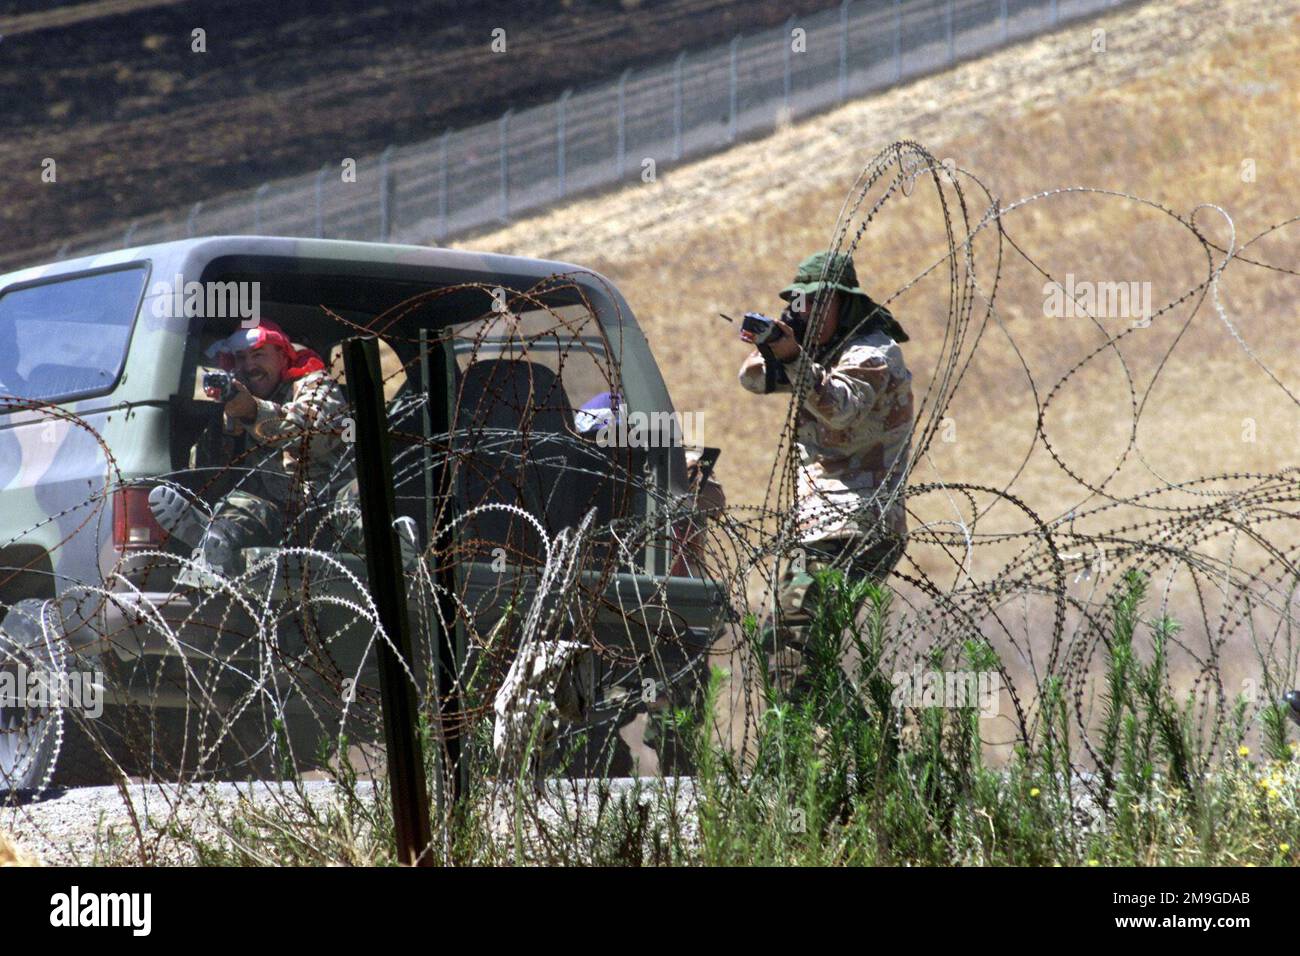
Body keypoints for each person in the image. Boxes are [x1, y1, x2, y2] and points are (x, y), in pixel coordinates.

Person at [738, 250, 913, 704]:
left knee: (791, 656)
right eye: (799, 302)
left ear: (842, 302)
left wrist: (795, 356)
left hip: (855, 524)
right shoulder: (822, 355)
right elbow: (753, 380)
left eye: (814, 302)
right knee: (791, 655)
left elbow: (838, 407)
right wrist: (778, 344)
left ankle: (856, 755)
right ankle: (871, 755)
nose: (806, 311)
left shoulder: (873, 352)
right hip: (825, 527)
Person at [149, 320, 355, 575]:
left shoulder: (314, 383)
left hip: (327, 508)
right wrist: (224, 421)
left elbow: (314, 434)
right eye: (241, 358)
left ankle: (396, 545)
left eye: (259, 355)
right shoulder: (238, 400)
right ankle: (214, 540)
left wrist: (253, 412)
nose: (249, 366)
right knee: (239, 505)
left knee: (359, 496)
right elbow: (207, 473)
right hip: (278, 520)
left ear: (282, 356)